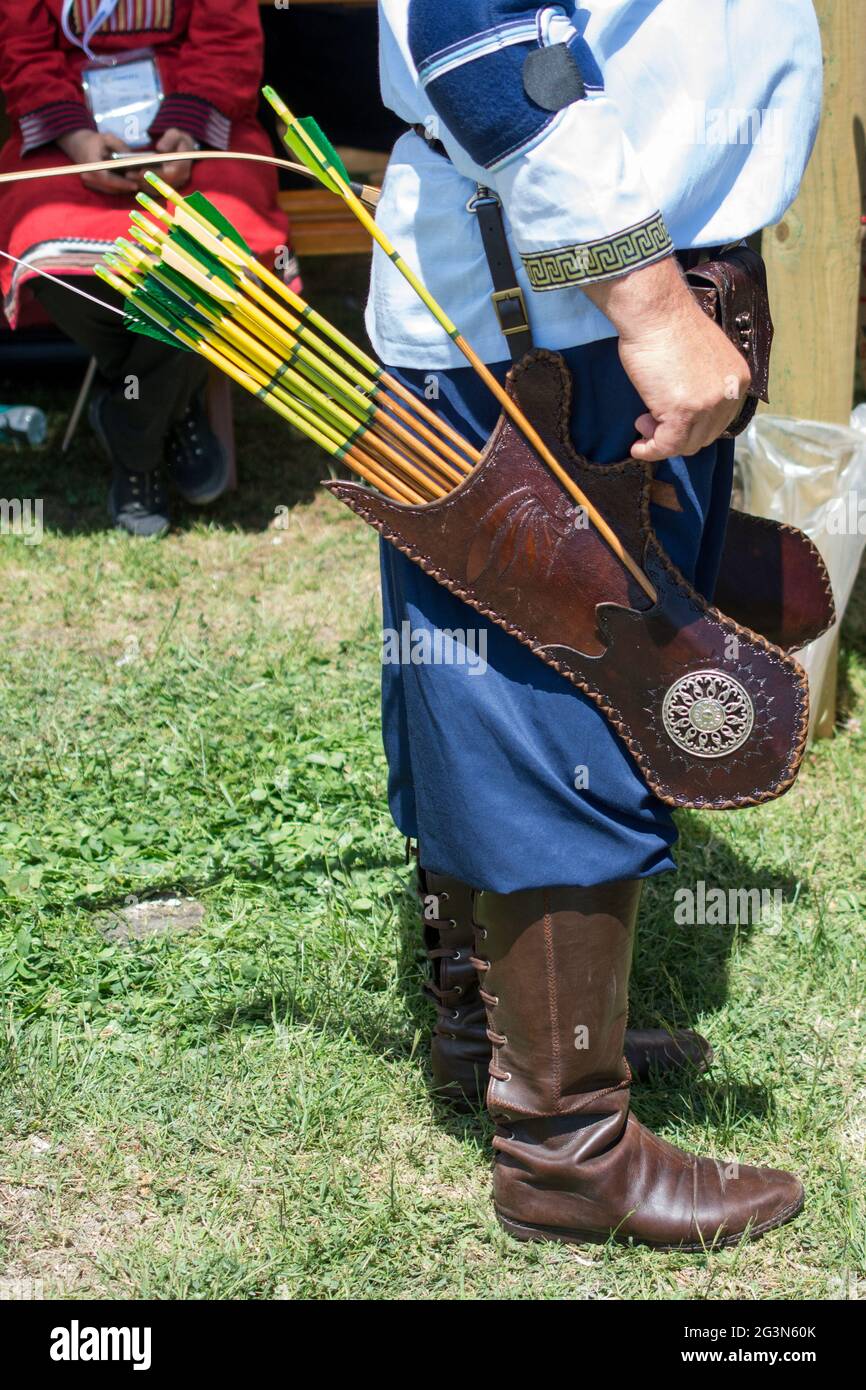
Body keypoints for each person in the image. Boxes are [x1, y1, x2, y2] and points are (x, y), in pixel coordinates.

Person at [367, 1, 823, 1249]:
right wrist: (648, 301)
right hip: (559, 319)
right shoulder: (622, 307)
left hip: (592, 300)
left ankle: (490, 1028)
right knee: (561, 700)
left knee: (519, 687)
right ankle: (564, 1146)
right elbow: (480, 31)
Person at [0, 0, 300, 537]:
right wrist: (78, 140)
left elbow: (228, 34)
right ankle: (171, 405)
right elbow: (23, 47)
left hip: (195, 130)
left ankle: (133, 434)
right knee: (47, 258)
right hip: (71, 135)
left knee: (216, 259)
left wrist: (185, 130)